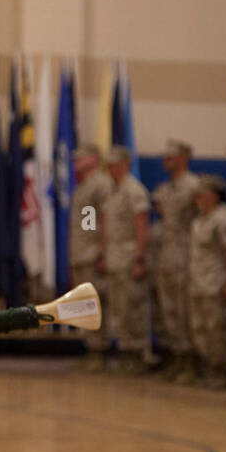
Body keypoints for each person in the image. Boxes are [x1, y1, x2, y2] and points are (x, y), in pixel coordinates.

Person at [101, 145, 155, 374]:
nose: (111, 168)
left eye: (114, 164)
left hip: (130, 257)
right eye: (108, 165)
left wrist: (140, 258)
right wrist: (103, 254)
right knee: (119, 308)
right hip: (114, 258)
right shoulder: (112, 191)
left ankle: (139, 355)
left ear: (125, 164)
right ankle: (126, 352)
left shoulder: (134, 190)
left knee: (134, 307)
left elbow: (142, 225)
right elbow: (105, 226)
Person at [150, 139, 200, 381]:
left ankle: (191, 362)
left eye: (171, 157)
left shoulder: (194, 187)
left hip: (185, 256)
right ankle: (176, 358)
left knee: (184, 311)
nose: (165, 161)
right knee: (168, 311)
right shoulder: (165, 189)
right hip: (166, 256)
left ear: (183, 158)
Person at [188, 174, 226, 390]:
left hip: (216, 282)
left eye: (202, 195)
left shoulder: (223, 218)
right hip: (199, 282)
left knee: (221, 330)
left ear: (215, 196)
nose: (198, 199)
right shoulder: (199, 221)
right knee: (201, 327)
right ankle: (210, 368)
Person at [71, 144, 114, 372]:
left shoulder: (101, 184)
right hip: (81, 253)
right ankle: (91, 349)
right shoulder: (83, 185)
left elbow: (105, 220)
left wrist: (102, 252)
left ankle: (100, 352)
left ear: (95, 159)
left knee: (95, 304)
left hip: (92, 253)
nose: (76, 161)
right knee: (85, 305)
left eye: (82, 157)